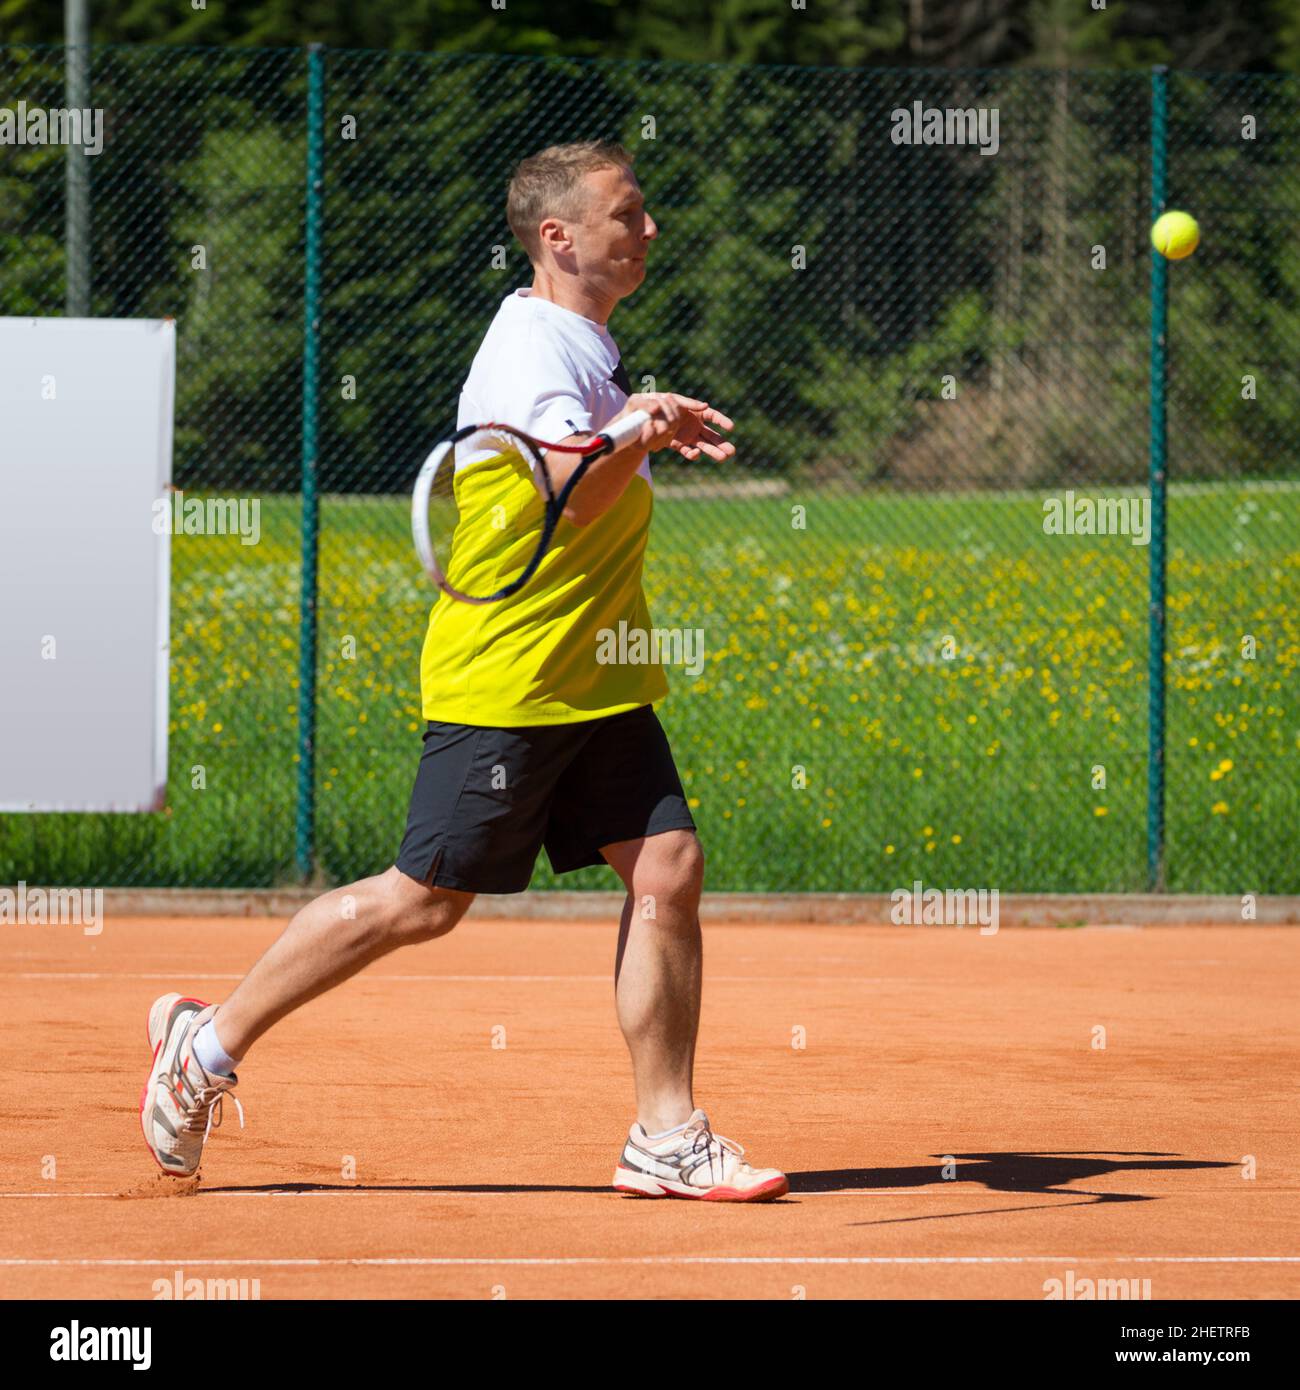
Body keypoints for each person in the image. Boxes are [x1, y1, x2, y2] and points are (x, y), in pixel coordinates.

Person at [140, 140, 788, 1202]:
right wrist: (638, 426)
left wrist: (644, 426)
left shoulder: (582, 346)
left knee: (665, 866)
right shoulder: (529, 347)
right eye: (629, 213)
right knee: (422, 902)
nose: (650, 229)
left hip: (595, 677)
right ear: (559, 237)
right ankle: (204, 1047)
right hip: (511, 678)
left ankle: (665, 1135)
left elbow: (590, 464)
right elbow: (569, 490)